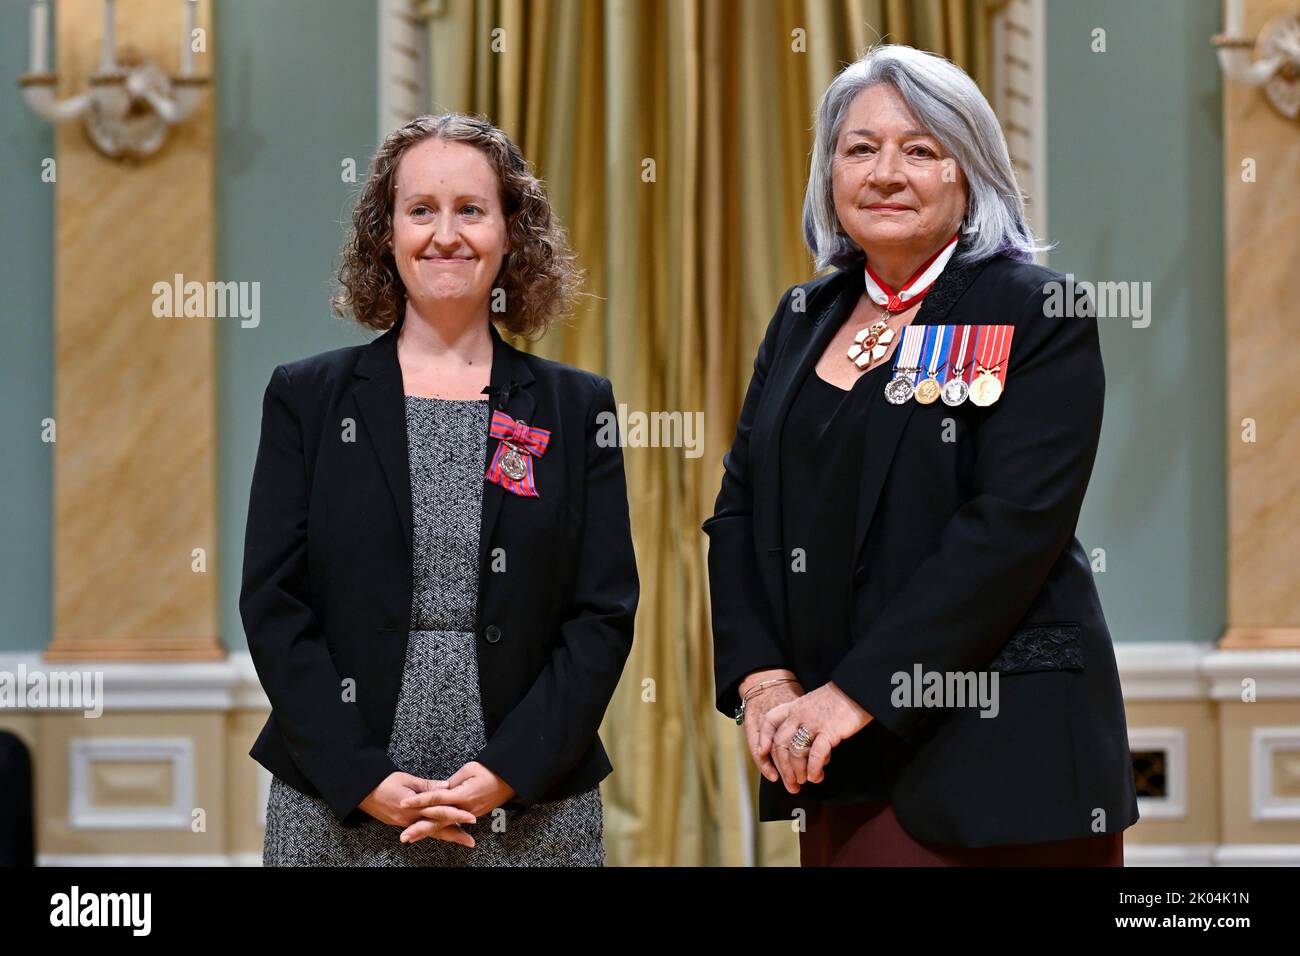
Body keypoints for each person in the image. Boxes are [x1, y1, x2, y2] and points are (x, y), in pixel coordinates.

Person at [704, 45, 1138, 866]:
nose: (886, 172)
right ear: (830, 172)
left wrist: (857, 694)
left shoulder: (1032, 308)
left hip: (1004, 759)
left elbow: (1009, 531)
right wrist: (763, 682)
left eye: (921, 149)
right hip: (835, 755)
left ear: (968, 172)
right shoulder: (804, 316)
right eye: (860, 148)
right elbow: (738, 514)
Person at [241, 113, 638, 866]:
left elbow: (603, 612)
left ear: (512, 234)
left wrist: (506, 774)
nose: (444, 234)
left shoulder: (576, 406)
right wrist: (364, 779)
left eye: (471, 210)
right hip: (340, 805)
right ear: (384, 236)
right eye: (420, 210)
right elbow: (273, 606)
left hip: (533, 804)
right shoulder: (308, 398)